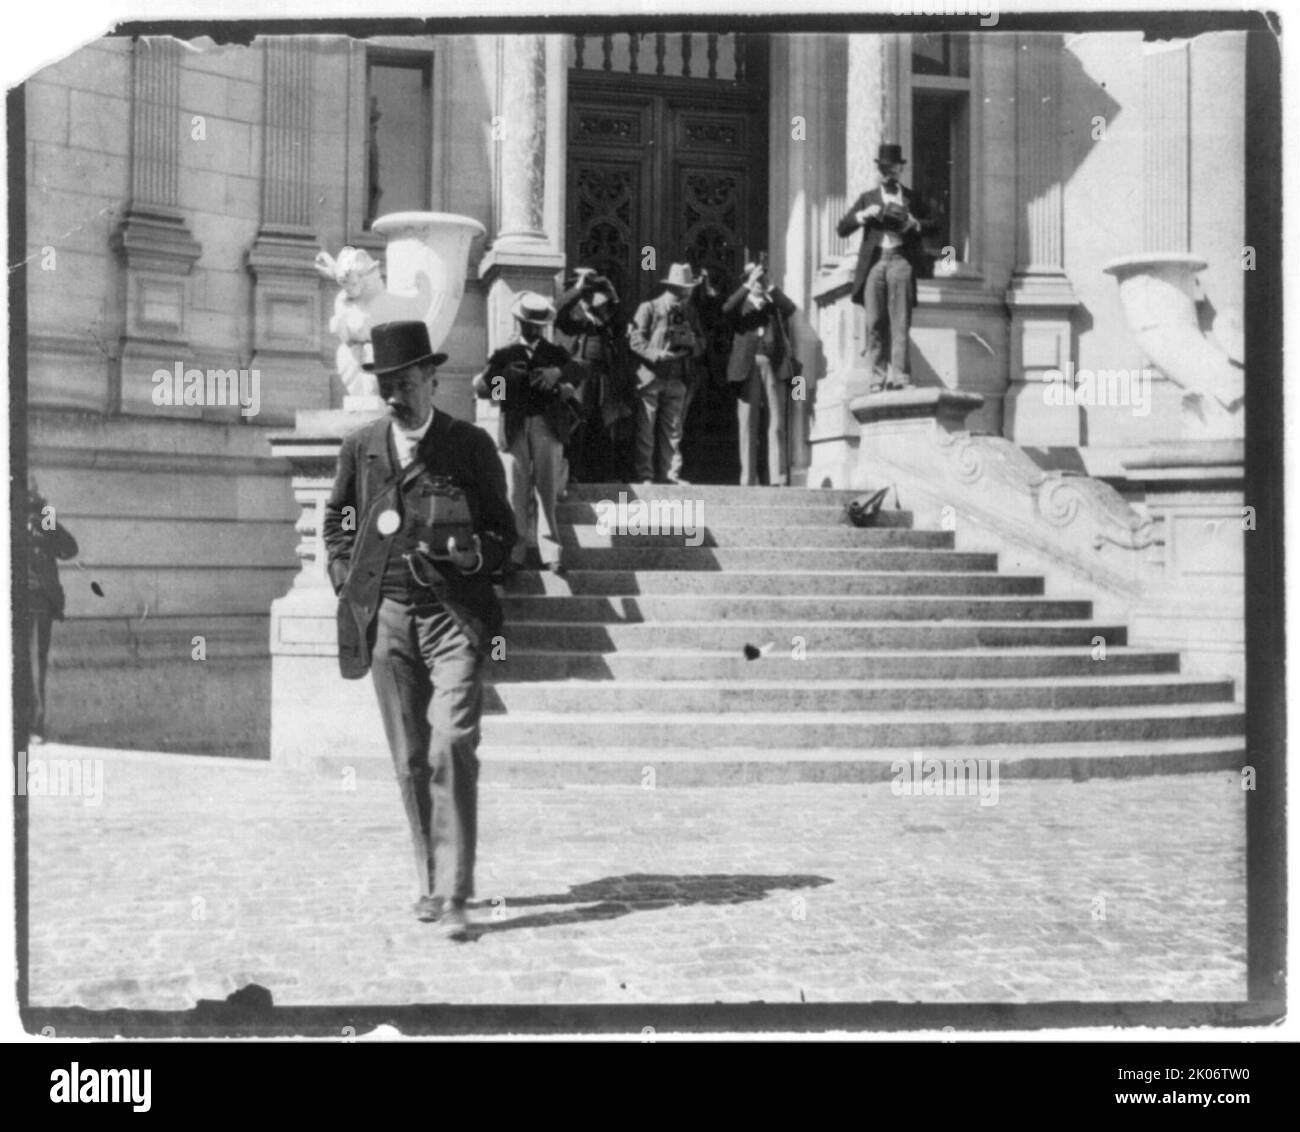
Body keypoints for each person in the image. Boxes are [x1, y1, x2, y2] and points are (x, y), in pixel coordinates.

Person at [323, 320, 517, 938]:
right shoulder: (361, 448)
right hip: (388, 617)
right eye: (385, 385)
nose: (393, 396)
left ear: (432, 379)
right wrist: (347, 579)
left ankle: (456, 892)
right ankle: (432, 880)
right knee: (410, 758)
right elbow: (339, 523)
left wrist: (476, 555)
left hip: (453, 614)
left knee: (450, 741)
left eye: (404, 383)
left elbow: (504, 533)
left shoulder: (470, 447)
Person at [472, 292, 581, 574]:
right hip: (515, 426)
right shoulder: (504, 354)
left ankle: (551, 553)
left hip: (548, 425)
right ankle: (515, 554)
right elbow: (489, 393)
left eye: (536, 325)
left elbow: (579, 372)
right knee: (515, 490)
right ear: (519, 322)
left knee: (547, 489)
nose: (531, 329)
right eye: (527, 323)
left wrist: (557, 375)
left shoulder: (556, 353)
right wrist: (505, 378)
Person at [836, 143, 937, 391]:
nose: (887, 174)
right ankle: (877, 377)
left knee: (900, 322)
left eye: (892, 169)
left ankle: (901, 377)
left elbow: (935, 225)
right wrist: (863, 216)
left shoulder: (912, 198)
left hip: (901, 260)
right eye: (883, 169)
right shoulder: (868, 198)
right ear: (878, 171)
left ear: (900, 169)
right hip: (875, 262)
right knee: (874, 321)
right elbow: (842, 228)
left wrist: (915, 223)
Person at [627, 262, 705, 485]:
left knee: (673, 429)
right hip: (651, 378)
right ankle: (645, 475)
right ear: (674, 288)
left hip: (678, 377)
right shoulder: (649, 308)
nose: (688, 293)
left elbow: (702, 342)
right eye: (685, 289)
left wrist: (692, 344)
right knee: (646, 429)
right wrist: (657, 354)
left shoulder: (690, 312)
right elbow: (635, 340)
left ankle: (670, 474)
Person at [723, 259, 799, 486]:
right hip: (746, 368)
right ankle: (748, 478)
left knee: (776, 423)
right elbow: (726, 309)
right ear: (746, 281)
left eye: (761, 279)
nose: (758, 283)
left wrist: (771, 286)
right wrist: (747, 285)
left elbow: (790, 308)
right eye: (754, 279)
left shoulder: (773, 304)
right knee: (748, 423)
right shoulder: (740, 305)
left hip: (773, 366)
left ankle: (778, 477)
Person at [554, 267, 631, 484]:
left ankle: (600, 475)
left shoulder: (602, 315)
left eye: (593, 290)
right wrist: (578, 289)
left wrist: (613, 295)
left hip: (601, 377)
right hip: (577, 377)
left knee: (602, 423)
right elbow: (556, 312)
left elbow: (621, 325)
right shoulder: (571, 313)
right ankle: (573, 474)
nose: (591, 295)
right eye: (587, 290)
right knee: (577, 423)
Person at [26, 484, 78, 745]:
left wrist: (48, 523)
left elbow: (70, 548)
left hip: (37, 602)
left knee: (36, 662)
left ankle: (35, 724)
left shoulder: (43, 524)